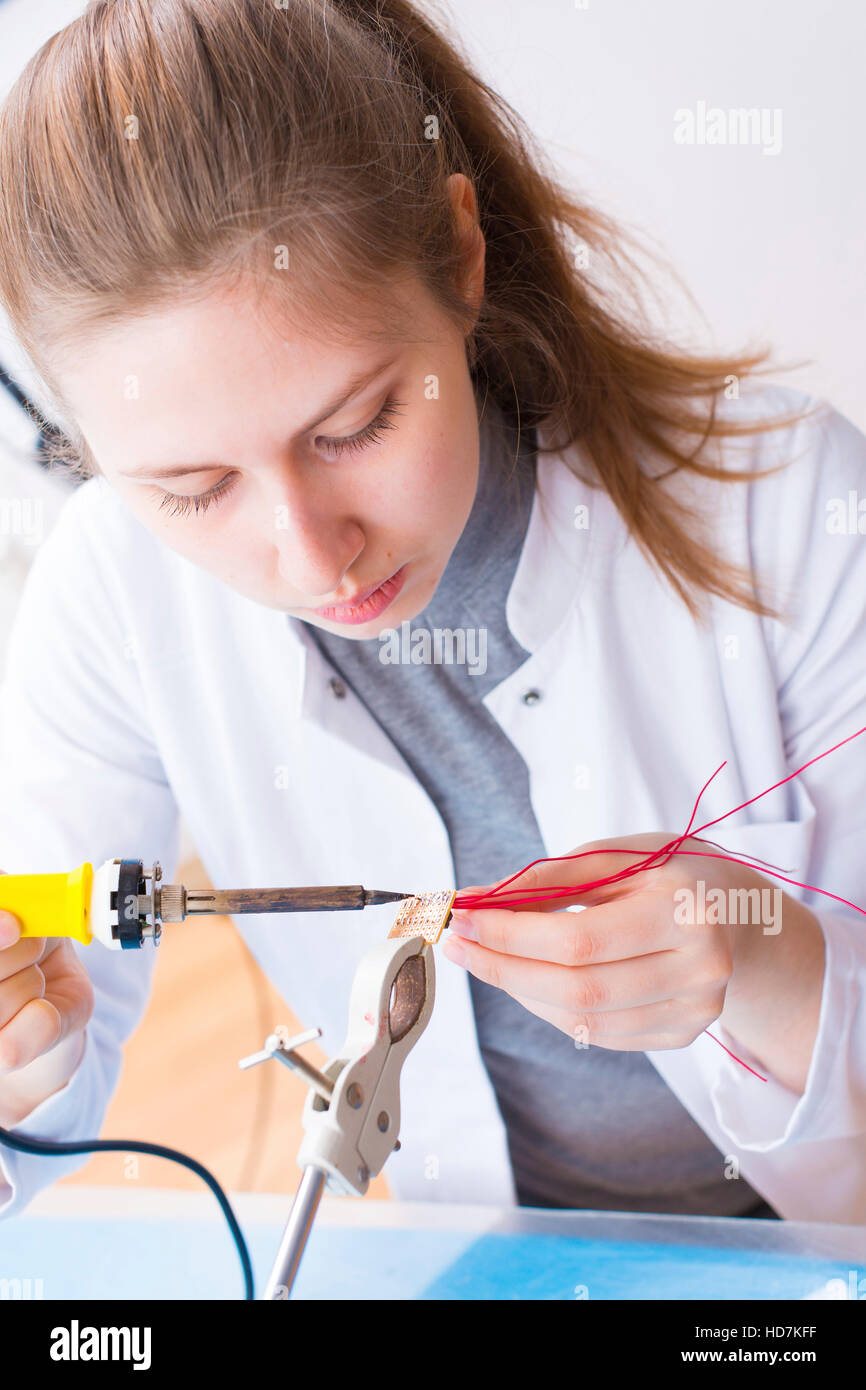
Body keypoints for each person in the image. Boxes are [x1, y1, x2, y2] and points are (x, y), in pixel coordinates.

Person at [0, 0, 863, 1224]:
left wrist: (767, 964)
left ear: (460, 253)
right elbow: (39, 1072)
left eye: (353, 426)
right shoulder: (113, 596)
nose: (310, 555)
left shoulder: (793, 511)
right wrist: (22, 1061)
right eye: (189, 490)